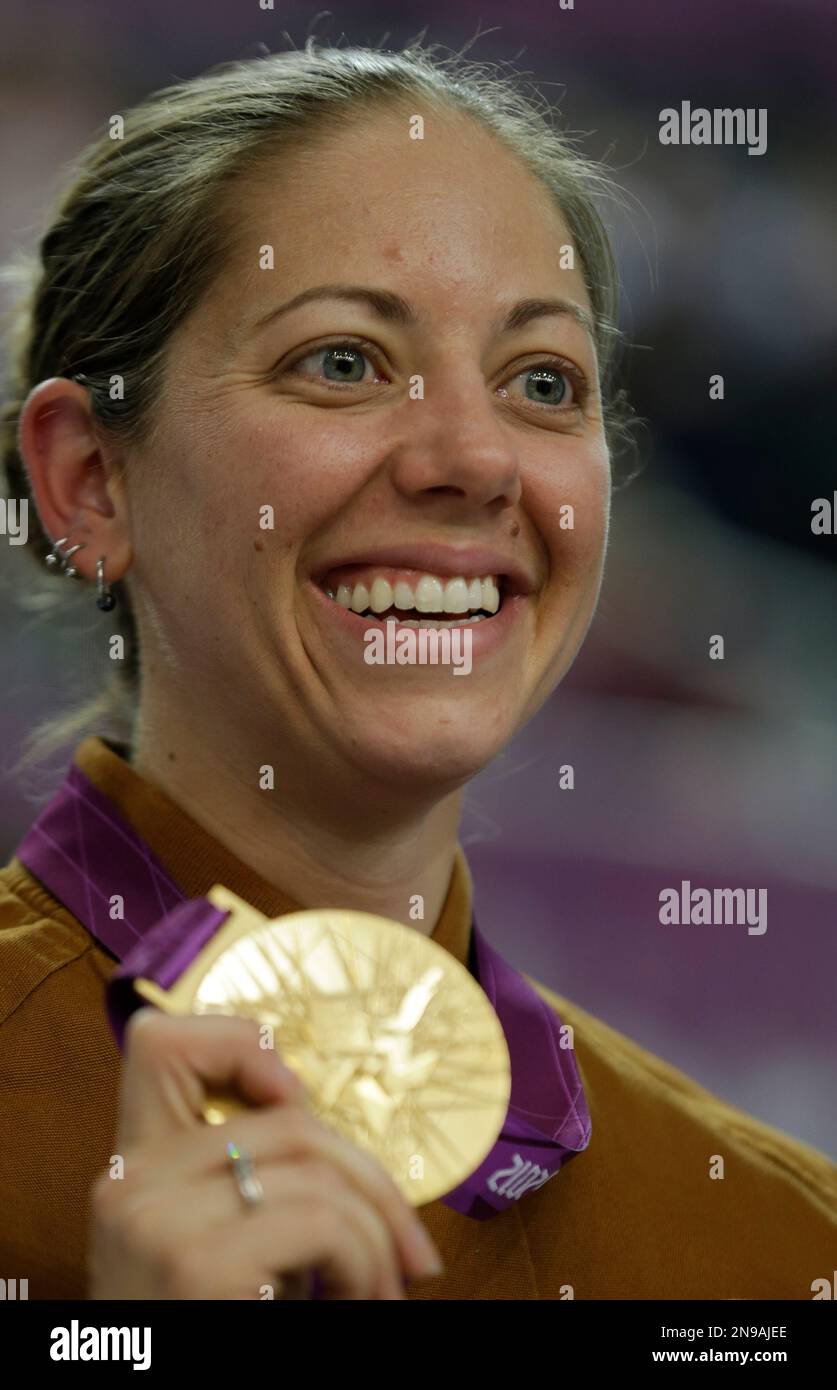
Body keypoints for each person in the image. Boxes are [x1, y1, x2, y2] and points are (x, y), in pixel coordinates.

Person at [1, 41, 834, 1302]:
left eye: (542, 383)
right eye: (342, 361)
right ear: (89, 481)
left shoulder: (774, 1246)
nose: (476, 457)